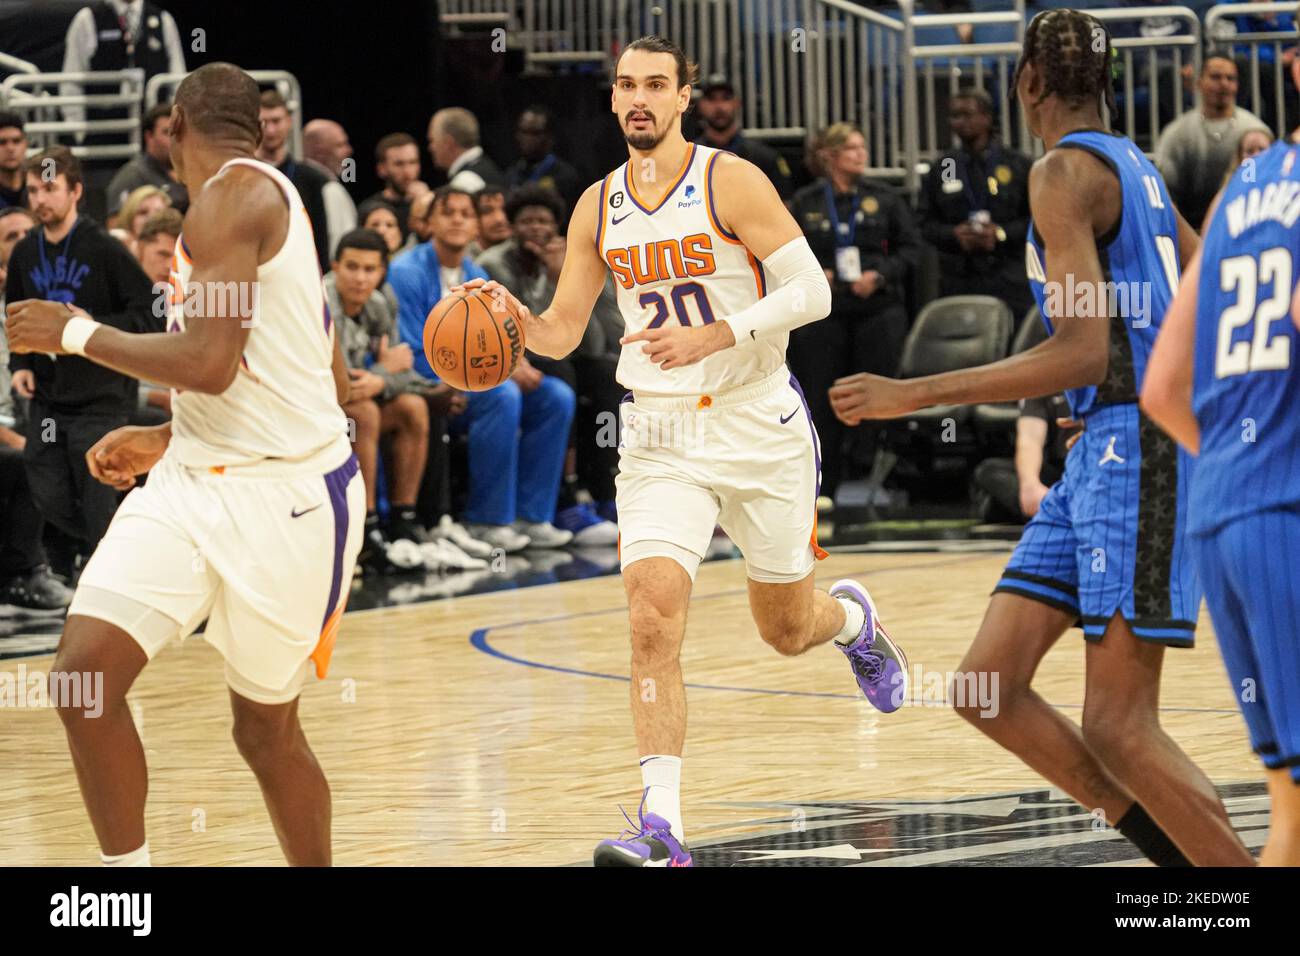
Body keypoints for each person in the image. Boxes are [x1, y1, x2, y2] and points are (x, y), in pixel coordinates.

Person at [454, 35, 908, 867]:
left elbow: (812, 292)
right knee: (650, 621)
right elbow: (559, 331)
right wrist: (509, 316)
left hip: (755, 420)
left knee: (785, 629)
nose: (638, 98)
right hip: (659, 431)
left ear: (683, 96)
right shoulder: (595, 204)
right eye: (626, 84)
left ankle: (851, 623)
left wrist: (719, 331)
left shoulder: (730, 179)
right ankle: (663, 826)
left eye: (655, 85)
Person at [828, 9, 1252, 867]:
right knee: (988, 689)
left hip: (1144, 457)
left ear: (1025, 83)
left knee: (1119, 725)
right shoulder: (1140, 167)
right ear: (1108, 82)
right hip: (1105, 447)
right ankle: (1180, 860)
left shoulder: (1061, 173)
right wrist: (1114, 387)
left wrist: (906, 393)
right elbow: (1214, 284)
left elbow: (1081, 345)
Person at [6, 62, 363, 867]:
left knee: (264, 733)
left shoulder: (232, 200)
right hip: (195, 481)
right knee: (82, 680)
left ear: (173, 129)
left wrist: (71, 330)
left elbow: (206, 360)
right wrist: (175, 439)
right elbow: (314, 368)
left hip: (290, 501)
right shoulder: (261, 199)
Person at [1142, 82, 1300, 867]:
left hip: (1225, 514)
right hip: (1288, 518)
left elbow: (1163, 388)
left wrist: (1247, 466)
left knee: (1290, 825)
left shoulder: (1244, 190)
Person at [389, 185, 575, 552]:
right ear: (429, 223)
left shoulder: (477, 273)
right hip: (429, 388)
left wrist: (515, 362)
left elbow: (505, 335)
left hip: (474, 384)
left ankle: (532, 516)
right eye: (448, 212)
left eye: (466, 213)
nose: (458, 219)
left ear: (477, 225)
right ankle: (487, 520)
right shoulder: (406, 271)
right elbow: (410, 348)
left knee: (556, 395)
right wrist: (460, 383)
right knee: (502, 393)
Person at [5, 147, 159, 579]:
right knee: (46, 488)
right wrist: (20, 362)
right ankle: (115, 549)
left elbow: (150, 313)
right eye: (33, 189)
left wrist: (96, 325)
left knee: (96, 492)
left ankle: (110, 572)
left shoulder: (104, 249)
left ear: (75, 191)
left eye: (50, 188)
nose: (39, 199)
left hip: (101, 396)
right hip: (50, 398)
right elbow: (16, 313)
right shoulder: (25, 252)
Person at [474, 184, 621, 546]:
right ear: (512, 226)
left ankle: (605, 493)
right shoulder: (495, 264)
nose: (536, 228)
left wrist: (562, 278)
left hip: (562, 356)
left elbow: (594, 343)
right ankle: (566, 497)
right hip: (513, 362)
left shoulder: (573, 261)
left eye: (544, 221)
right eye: (526, 221)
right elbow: (502, 333)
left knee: (607, 374)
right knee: (562, 377)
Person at [787, 122, 922, 500]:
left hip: (875, 308)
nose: (861, 155)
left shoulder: (885, 198)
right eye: (852, 149)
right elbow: (786, 250)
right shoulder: (806, 201)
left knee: (875, 388)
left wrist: (879, 275)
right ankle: (821, 480)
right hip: (824, 313)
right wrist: (818, 271)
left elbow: (911, 249)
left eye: (863, 148)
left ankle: (874, 477)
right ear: (829, 156)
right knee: (821, 393)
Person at [917, 88, 1034, 316]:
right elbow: (923, 223)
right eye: (954, 116)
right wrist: (954, 234)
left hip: (1009, 277)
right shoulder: (944, 167)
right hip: (959, 279)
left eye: (966, 115)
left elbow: (1037, 220)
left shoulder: (1017, 164)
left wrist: (1000, 233)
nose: (959, 122)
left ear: (987, 117)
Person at [1155, 56, 1269, 230]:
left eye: (1230, 78)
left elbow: (1258, 188)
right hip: (1188, 229)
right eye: (1215, 77)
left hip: (1242, 227)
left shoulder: (1254, 131)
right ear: (1198, 83)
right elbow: (1166, 196)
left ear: (1237, 85)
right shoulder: (1177, 133)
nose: (1223, 84)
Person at [59, 1, 186, 136]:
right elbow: (71, 82)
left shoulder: (163, 19)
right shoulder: (87, 19)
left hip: (152, 134)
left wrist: (172, 125)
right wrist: (79, 132)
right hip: (103, 129)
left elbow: (177, 80)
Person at [257, 90, 332, 270]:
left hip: (300, 270)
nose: (270, 130)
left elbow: (320, 238)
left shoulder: (313, 179)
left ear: (289, 122)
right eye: (263, 122)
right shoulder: (240, 173)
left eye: (276, 121)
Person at [692, 74, 793, 200]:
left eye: (726, 98)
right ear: (701, 105)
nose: (719, 106)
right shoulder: (689, 157)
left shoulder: (764, 158)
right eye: (712, 99)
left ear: (737, 103)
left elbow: (784, 207)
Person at [106, 103, 188, 218]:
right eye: (167, 133)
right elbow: (117, 228)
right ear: (149, 136)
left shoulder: (194, 171)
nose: (174, 140)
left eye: (178, 133)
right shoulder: (133, 176)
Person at [505, 106, 584, 217]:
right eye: (523, 132)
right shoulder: (511, 174)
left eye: (535, 133)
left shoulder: (566, 176)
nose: (527, 139)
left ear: (550, 136)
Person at [302, 119, 358, 258]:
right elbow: (344, 245)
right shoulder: (329, 189)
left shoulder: (288, 180)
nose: (348, 150)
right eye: (340, 145)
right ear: (319, 150)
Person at [365, 133, 428, 242]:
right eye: (399, 164)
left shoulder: (431, 202)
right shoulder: (370, 209)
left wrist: (426, 204)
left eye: (413, 162)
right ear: (381, 169)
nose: (407, 172)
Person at [428, 108, 503, 194]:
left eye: (432, 140)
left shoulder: (464, 183)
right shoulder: (487, 166)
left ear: (448, 143)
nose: (431, 148)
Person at [0, 112, 29, 210]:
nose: (10, 148)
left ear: (25, 145)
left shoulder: (39, 190)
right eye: (2, 142)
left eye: (16, 141)